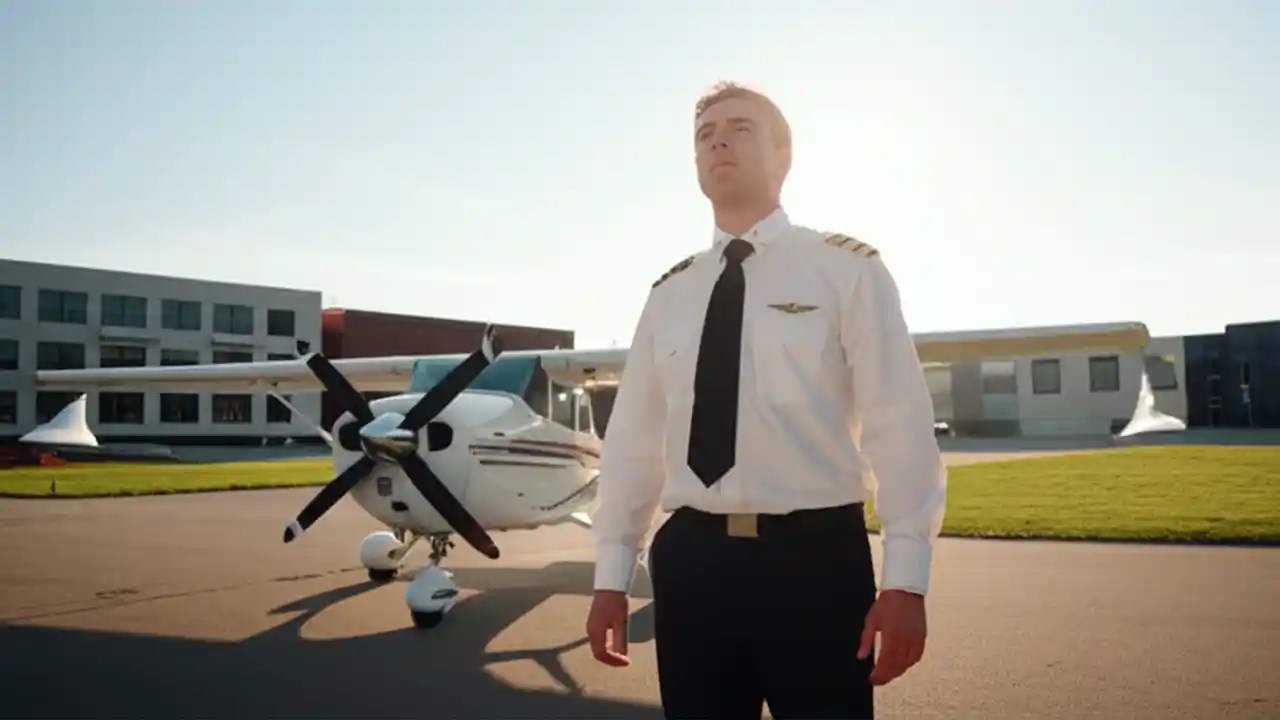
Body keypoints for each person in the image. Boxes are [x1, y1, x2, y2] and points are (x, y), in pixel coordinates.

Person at [585, 81, 947, 719]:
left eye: (740, 127)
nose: (718, 139)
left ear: (784, 156)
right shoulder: (669, 294)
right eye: (704, 134)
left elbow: (900, 426)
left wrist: (906, 580)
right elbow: (635, 445)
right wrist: (612, 576)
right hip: (692, 565)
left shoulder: (845, 270)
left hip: (813, 563)